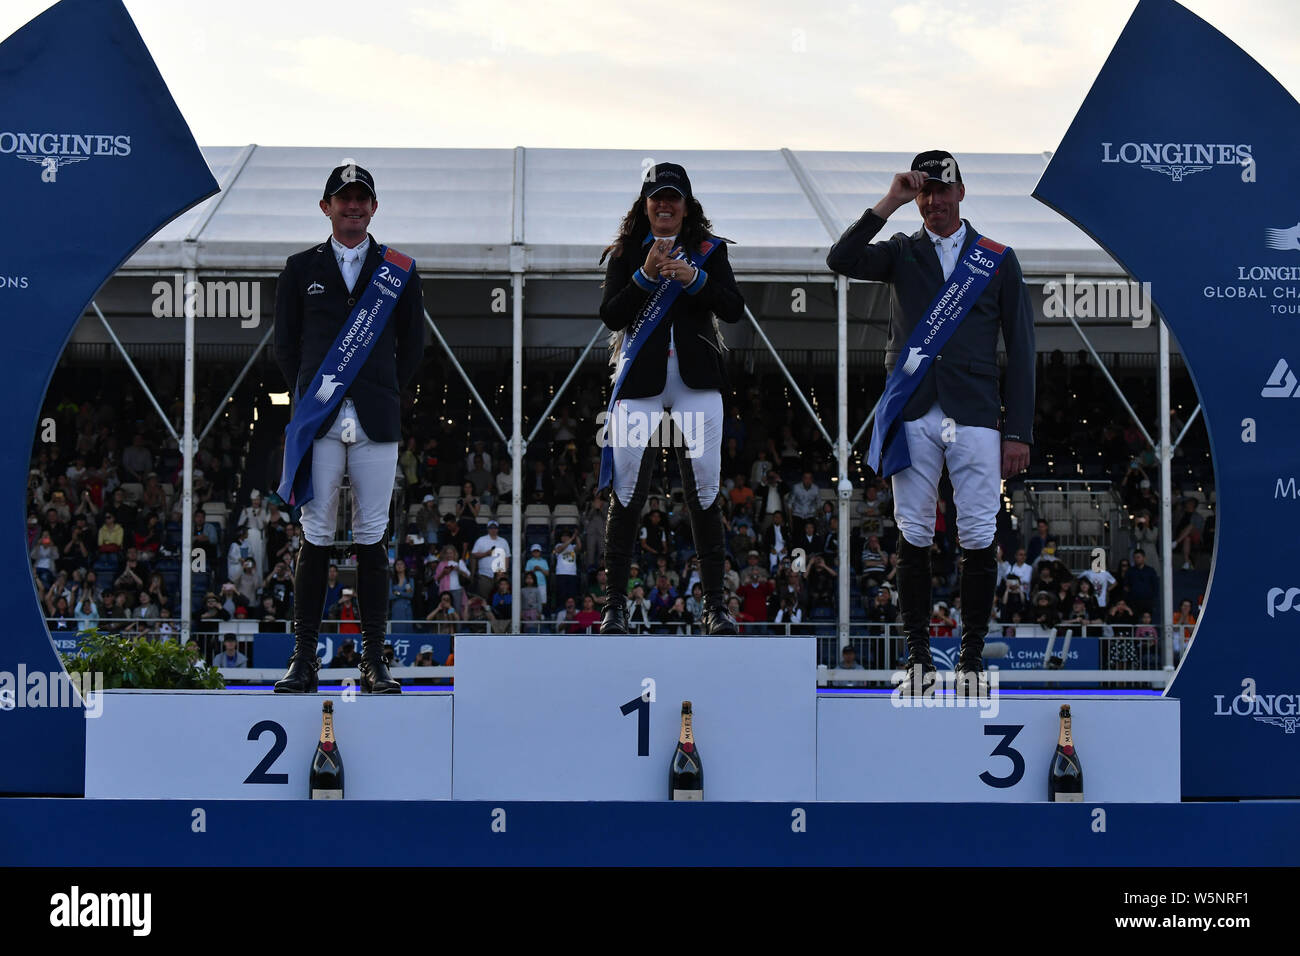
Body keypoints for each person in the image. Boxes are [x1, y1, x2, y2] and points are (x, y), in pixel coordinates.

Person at [826, 150, 1035, 696]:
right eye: (924, 193)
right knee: (913, 535)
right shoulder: (901, 251)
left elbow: (1023, 349)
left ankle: (969, 658)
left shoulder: (997, 258)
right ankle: (918, 655)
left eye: (943, 191)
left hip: (975, 411)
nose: (934, 202)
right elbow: (840, 258)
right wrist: (889, 200)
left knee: (979, 536)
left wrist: (1019, 432)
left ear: (962, 193)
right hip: (915, 408)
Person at [271, 163, 425, 695]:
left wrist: (380, 387)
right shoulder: (298, 268)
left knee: (372, 538)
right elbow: (285, 346)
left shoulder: (399, 270)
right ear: (326, 207)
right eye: (343, 199)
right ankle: (303, 660)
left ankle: (374, 660)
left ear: (374, 207)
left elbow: (414, 349)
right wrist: (318, 393)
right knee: (315, 536)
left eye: (362, 198)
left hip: (376, 419)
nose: (353, 206)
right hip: (320, 418)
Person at [596, 162, 745, 636]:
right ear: (645, 204)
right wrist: (643, 276)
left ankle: (716, 606)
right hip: (640, 384)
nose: (665, 205)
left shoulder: (707, 251)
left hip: (697, 384)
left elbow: (734, 309)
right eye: (657, 197)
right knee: (625, 493)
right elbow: (611, 315)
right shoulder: (625, 252)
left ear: (686, 205)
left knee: (704, 490)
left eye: (673, 198)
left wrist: (694, 279)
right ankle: (615, 606)